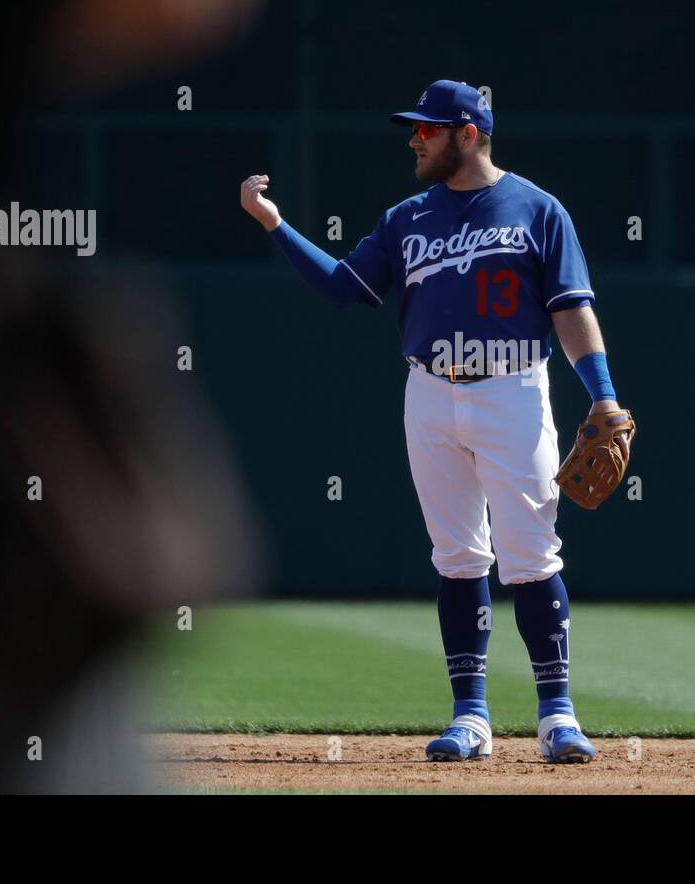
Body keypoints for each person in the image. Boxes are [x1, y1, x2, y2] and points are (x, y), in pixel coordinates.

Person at [239, 79, 629, 763]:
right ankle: (470, 718)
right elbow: (343, 287)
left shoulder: (537, 210)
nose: (414, 139)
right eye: (414, 129)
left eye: (428, 129)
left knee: (531, 558)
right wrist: (273, 221)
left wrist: (602, 396)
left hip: (513, 391)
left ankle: (557, 717)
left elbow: (571, 310)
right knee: (456, 558)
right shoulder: (406, 218)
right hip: (429, 392)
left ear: (468, 132)